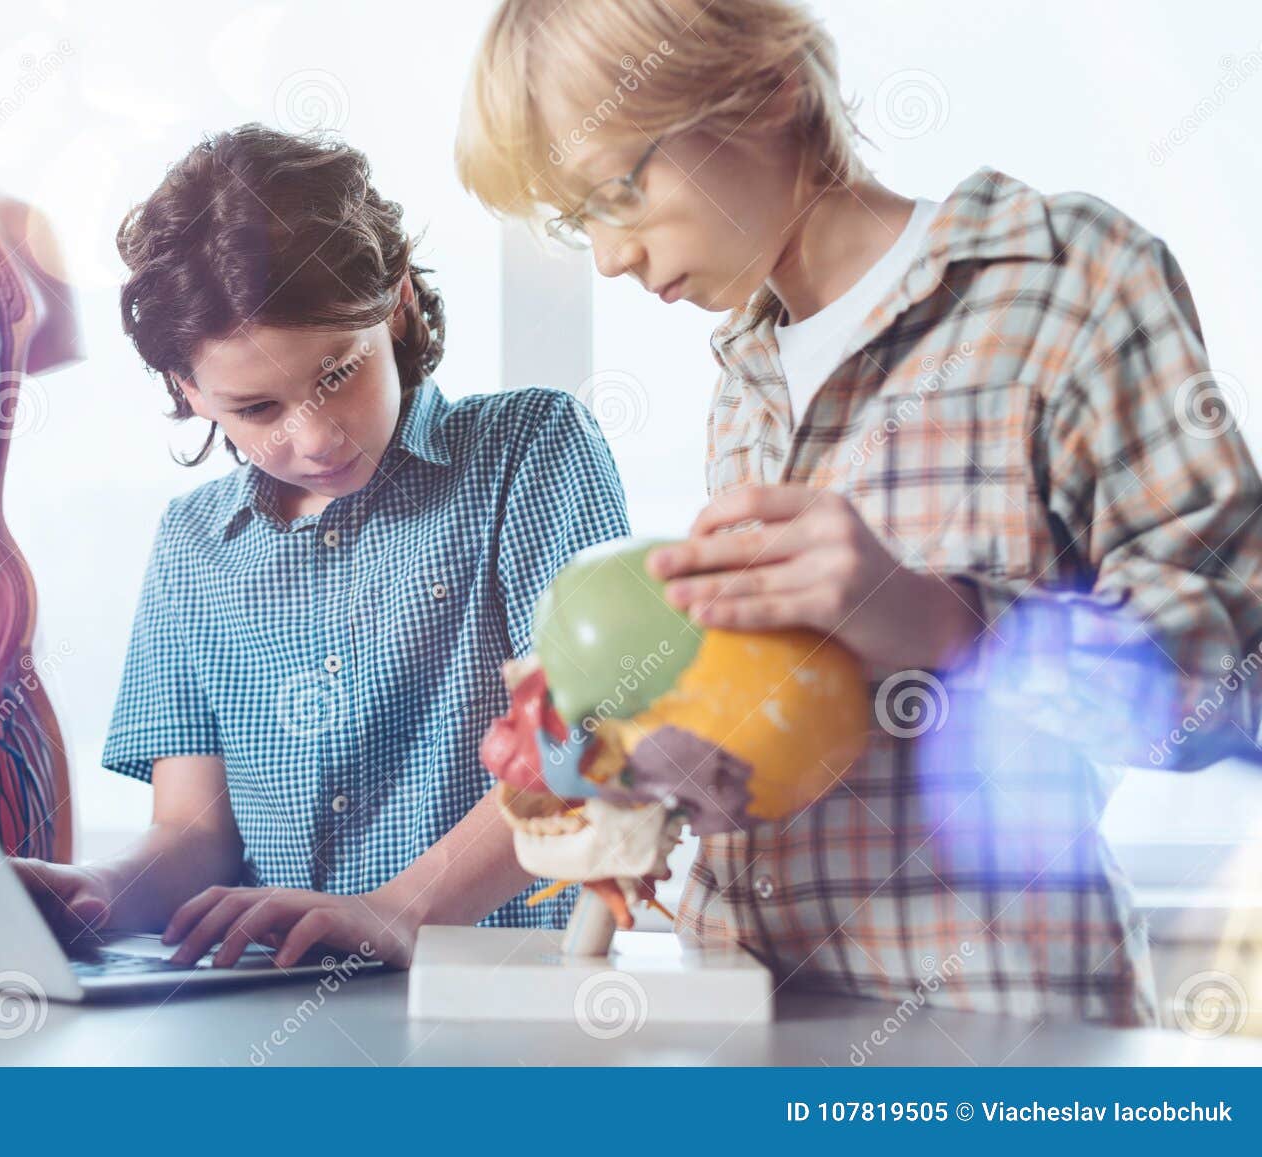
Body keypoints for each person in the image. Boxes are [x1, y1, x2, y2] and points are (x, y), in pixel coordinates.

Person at [455, 0, 1262, 1023]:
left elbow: (1235, 684)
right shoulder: (743, 378)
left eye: (621, 190)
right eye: (581, 221)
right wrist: (636, 737)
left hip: (993, 1035)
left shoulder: (1068, 281)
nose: (610, 256)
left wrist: (951, 625)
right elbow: (792, 721)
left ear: (765, 88)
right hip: (739, 1020)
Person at [13, 125, 629, 969]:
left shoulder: (530, 449)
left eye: (338, 373)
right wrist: (100, 889)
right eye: (258, 409)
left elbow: (591, 732)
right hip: (266, 1004)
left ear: (397, 302)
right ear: (191, 391)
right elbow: (194, 834)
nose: (316, 437)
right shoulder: (193, 543)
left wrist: (397, 910)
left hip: (494, 992)